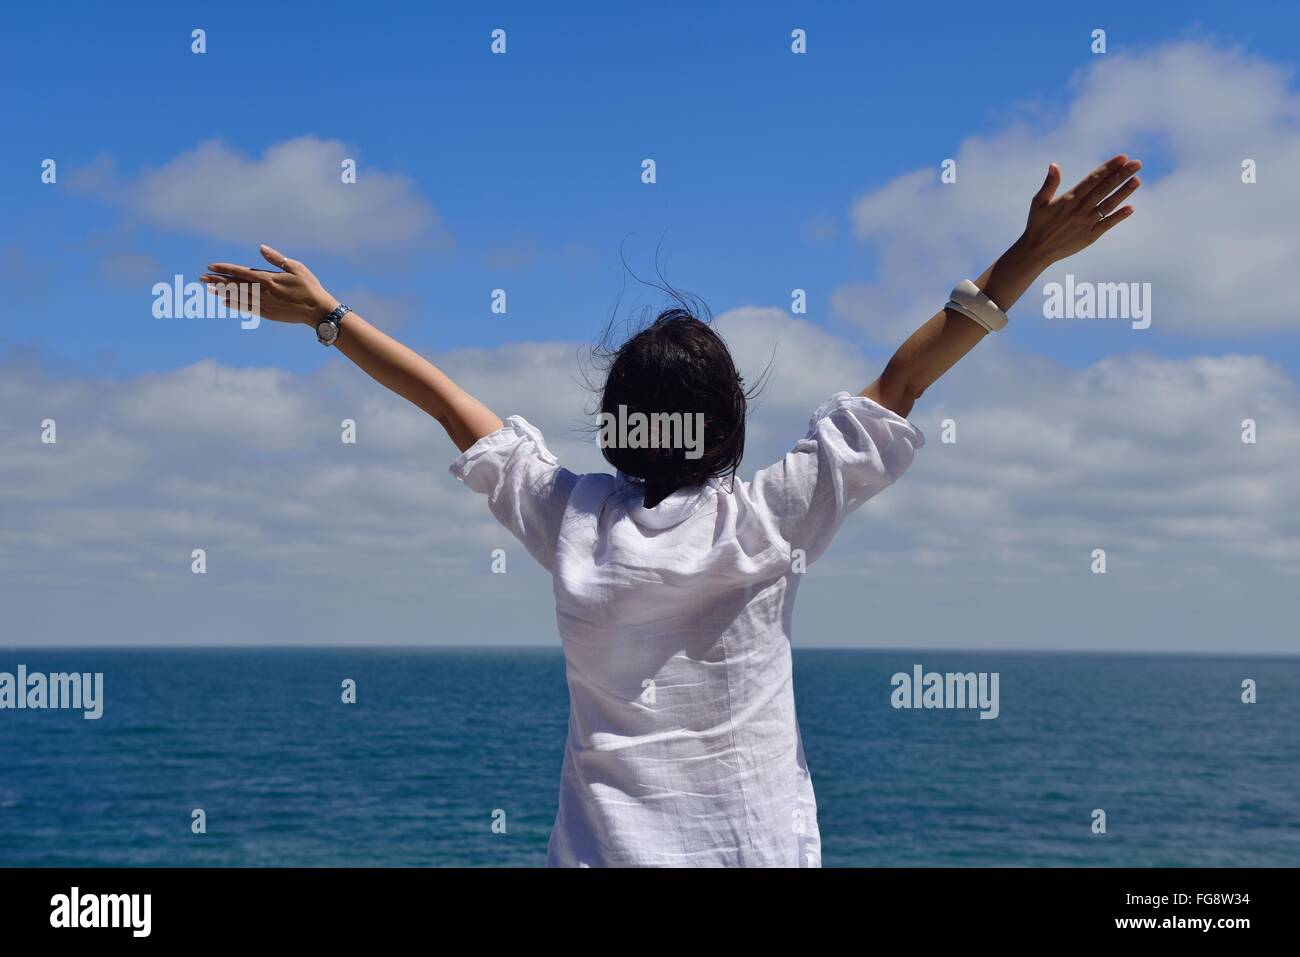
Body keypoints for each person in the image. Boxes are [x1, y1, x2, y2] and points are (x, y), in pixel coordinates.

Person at [203, 155, 1141, 866]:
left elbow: (449, 403)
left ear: (616, 424)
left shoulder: (571, 520)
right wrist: (1028, 256)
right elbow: (904, 378)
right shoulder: (773, 519)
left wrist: (328, 318)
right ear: (728, 425)